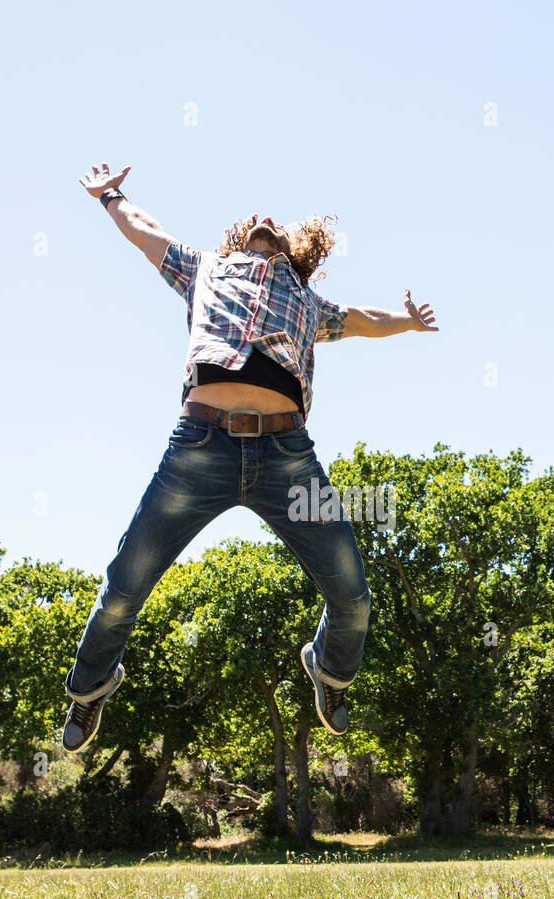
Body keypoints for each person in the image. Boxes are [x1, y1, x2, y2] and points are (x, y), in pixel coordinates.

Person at [62, 161, 438, 753]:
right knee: (123, 586)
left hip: (286, 455)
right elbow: (144, 231)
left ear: (293, 249)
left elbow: (365, 321)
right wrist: (110, 195)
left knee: (353, 596)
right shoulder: (203, 269)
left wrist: (410, 324)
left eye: (277, 222)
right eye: (257, 219)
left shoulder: (309, 303)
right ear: (240, 237)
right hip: (200, 447)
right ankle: (88, 691)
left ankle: (331, 673)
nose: (267, 219)